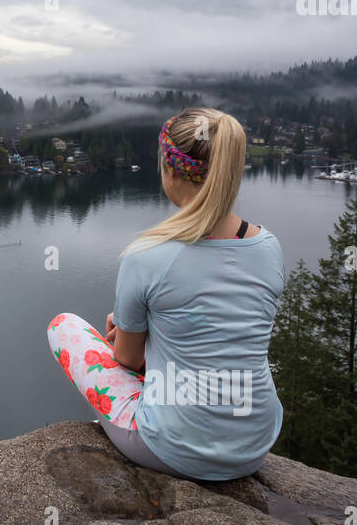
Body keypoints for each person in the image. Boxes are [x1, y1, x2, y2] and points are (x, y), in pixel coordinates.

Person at [46, 107, 284, 481]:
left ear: (171, 170)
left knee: (62, 326)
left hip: (172, 448)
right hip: (253, 444)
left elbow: (125, 358)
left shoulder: (147, 255)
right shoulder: (269, 247)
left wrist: (132, 333)